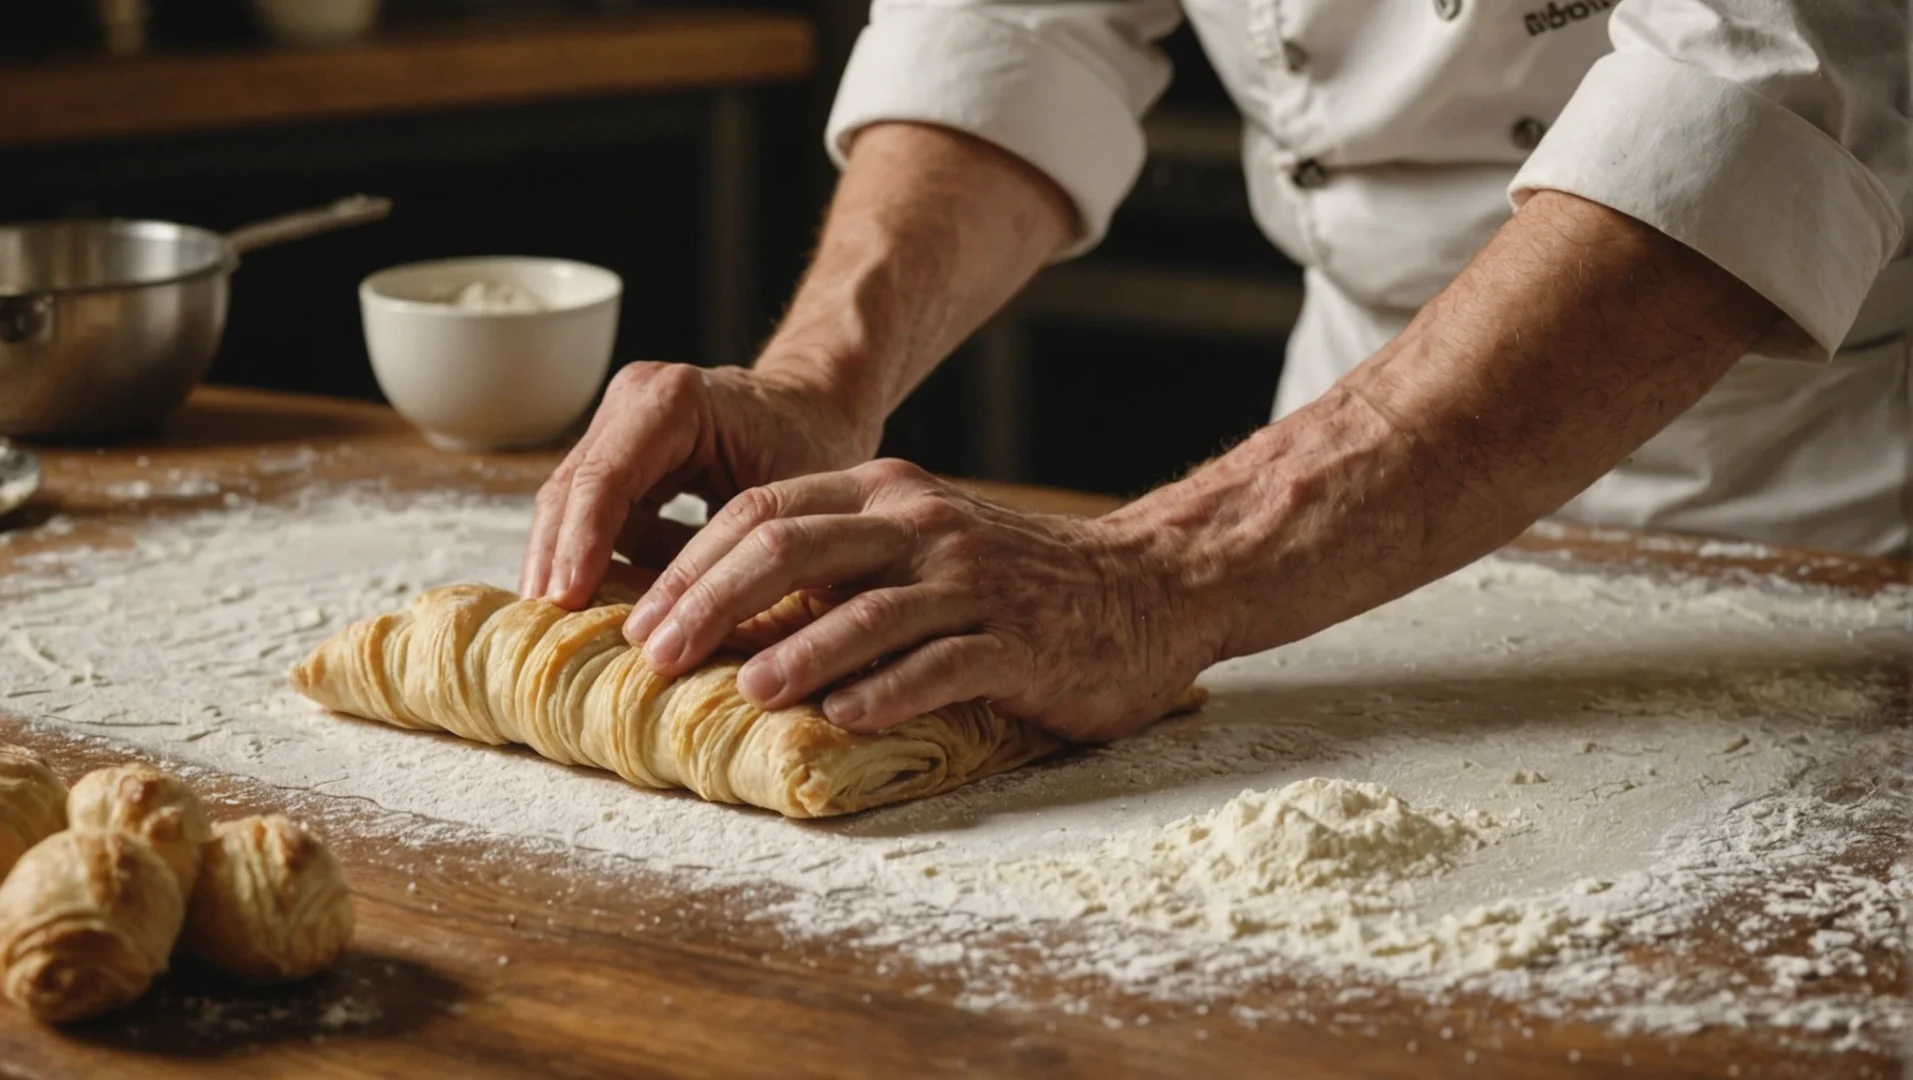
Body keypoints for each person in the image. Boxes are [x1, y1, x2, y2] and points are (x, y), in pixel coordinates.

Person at [520, 1, 1910, 743]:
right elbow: (1017, 25)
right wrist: (820, 380)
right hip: (1334, 528)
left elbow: (1756, 99)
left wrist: (1162, 577)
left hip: (1814, 517)